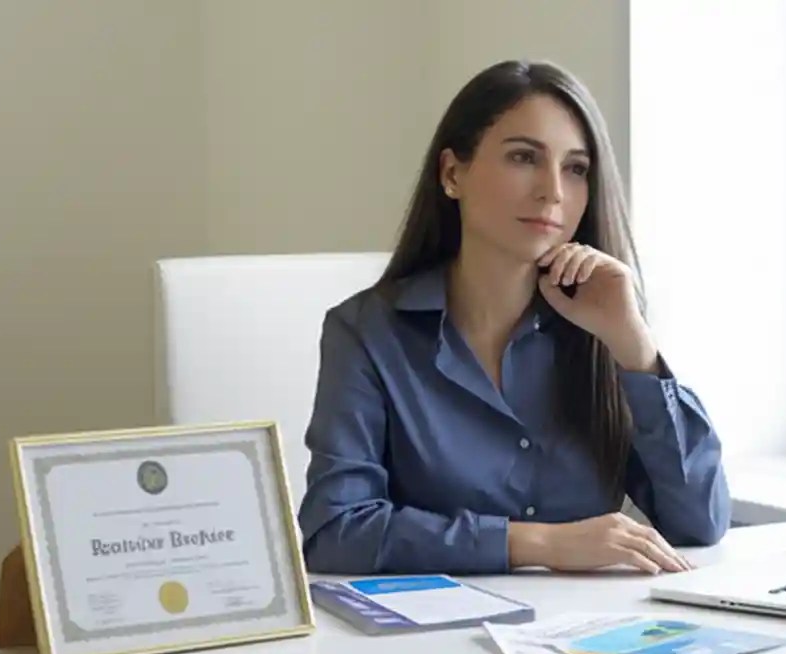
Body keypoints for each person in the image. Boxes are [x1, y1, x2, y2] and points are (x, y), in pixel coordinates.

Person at [297, 59, 730, 577]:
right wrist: (537, 543)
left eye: (576, 168)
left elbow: (699, 523)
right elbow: (336, 531)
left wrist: (635, 348)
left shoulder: (602, 325)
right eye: (524, 157)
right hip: (425, 644)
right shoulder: (365, 334)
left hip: (587, 638)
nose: (553, 190)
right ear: (453, 173)